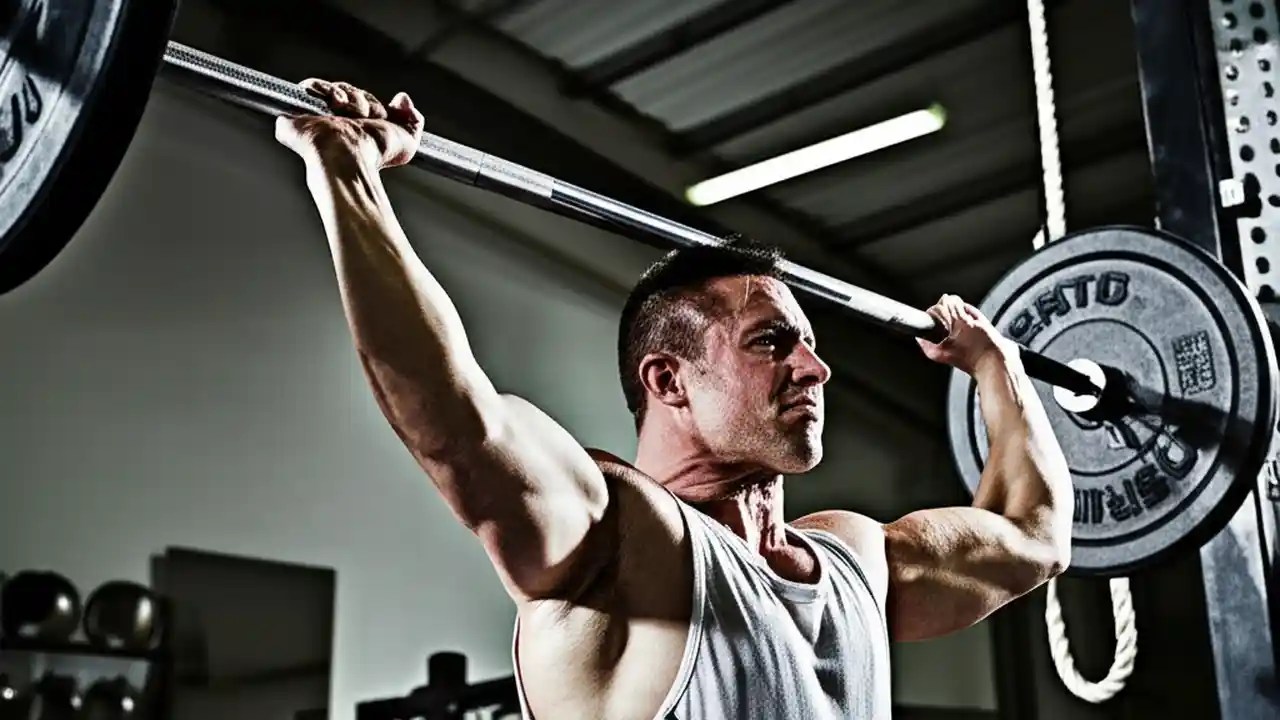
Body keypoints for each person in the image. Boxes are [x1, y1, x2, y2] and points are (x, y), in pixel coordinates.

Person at [275, 81, 1073, 720]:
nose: (816, 369)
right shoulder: (620, 543)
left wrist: (997, 364)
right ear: (668, 381)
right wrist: (345, 171)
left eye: (809, 343)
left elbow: (1034, 538)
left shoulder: (854, 559)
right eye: (772, 342)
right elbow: (454, 419)